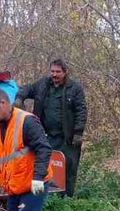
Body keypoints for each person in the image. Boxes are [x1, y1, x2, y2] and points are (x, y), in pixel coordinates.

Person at [16, 59, 87, 196]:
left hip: (67, 138)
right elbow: (26, 88)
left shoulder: (74, 88)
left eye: (58, 72)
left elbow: (81, 110)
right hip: (46, 136)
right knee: (44, 167)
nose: (54, 74)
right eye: (52, 71)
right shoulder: (42, 85)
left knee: (68, 169)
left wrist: (78, 132)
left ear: (65, 73)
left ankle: (66, 198)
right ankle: (45, 197)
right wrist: (20, 98)